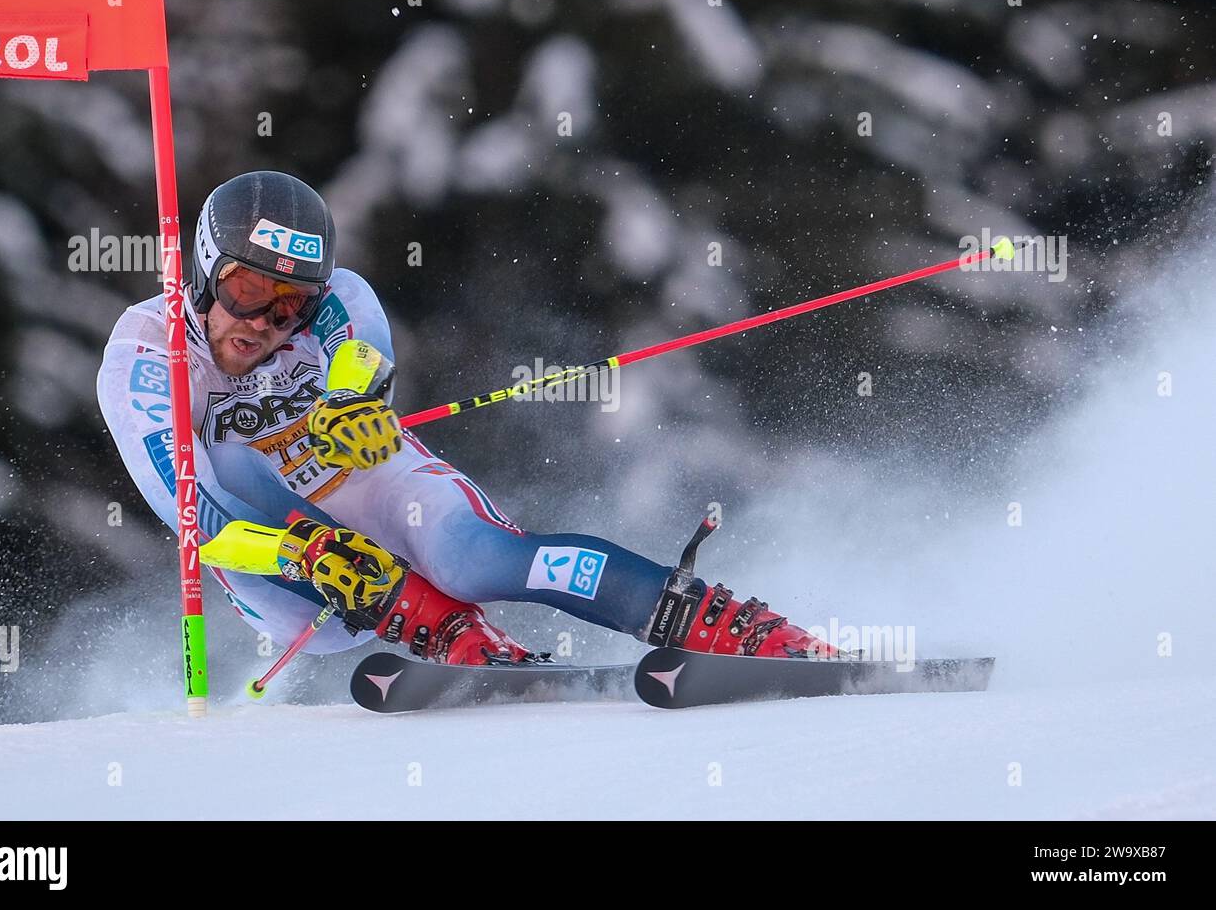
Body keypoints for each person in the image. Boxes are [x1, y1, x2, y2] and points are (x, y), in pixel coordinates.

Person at [97, 171, 837, 665]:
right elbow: (193, 517)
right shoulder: (142, 358)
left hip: (370, 484)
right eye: (248, 289)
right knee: (251, 506)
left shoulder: (336, 299)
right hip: (267, 552)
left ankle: (733, 629)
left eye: (288, 304)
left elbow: (358, 345)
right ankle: (443, 628)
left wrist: (353, 401)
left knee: (475, 562)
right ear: (202, 267)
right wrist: (299, 555)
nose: (263, 321)